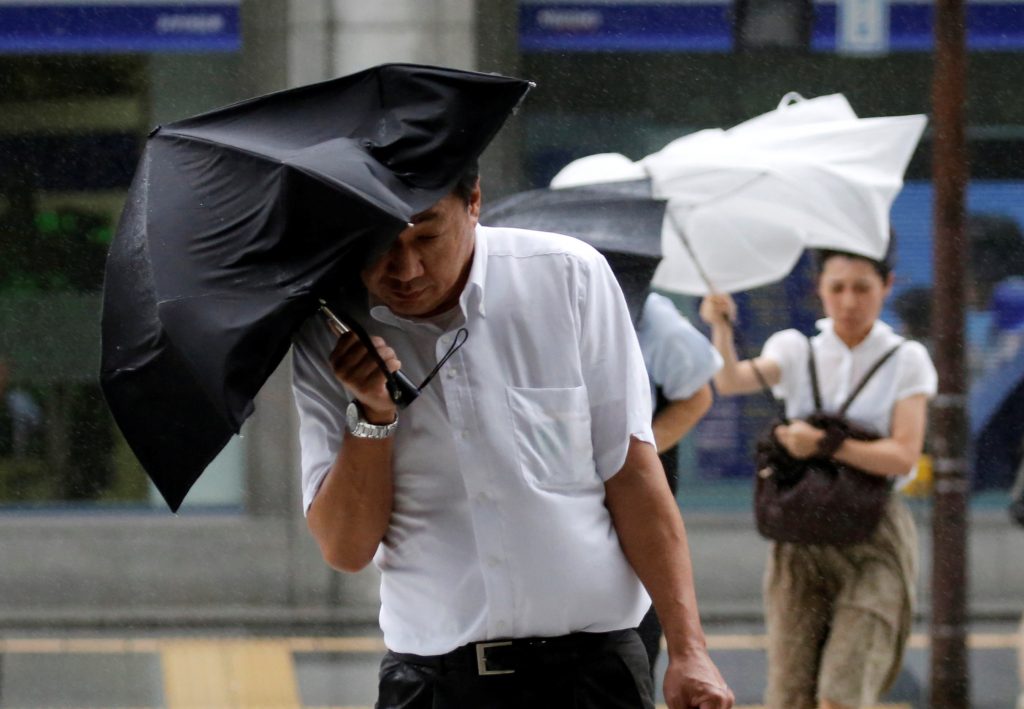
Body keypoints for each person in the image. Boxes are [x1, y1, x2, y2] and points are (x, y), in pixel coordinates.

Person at [291, 164, 733, 709]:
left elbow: (633, 477)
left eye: (427, 235)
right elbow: (345, 548)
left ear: (473, 200)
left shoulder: (568, 277)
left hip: (591, 674)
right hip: (434, 682)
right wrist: (373, 415)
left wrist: (690, 650)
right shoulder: (331, 329)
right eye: (379, 242)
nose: (404, 267)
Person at [699, 248, 936, 709]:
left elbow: (903, 455)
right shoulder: (796, 350)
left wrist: (826, 445)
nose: (849, 301)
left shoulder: (905, 359)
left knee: (842, 693)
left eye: (862, 288)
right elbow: (730, 381)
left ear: (887, 287)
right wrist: (721, 326)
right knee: (790, 693)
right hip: (801, 535)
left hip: (872, 533)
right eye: (837, 288)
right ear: (821, 291)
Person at [634, 291, 722, 677]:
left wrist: (636, 456)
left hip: (626, 512)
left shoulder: (646, 311)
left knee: (631, 649)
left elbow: (698, 394)